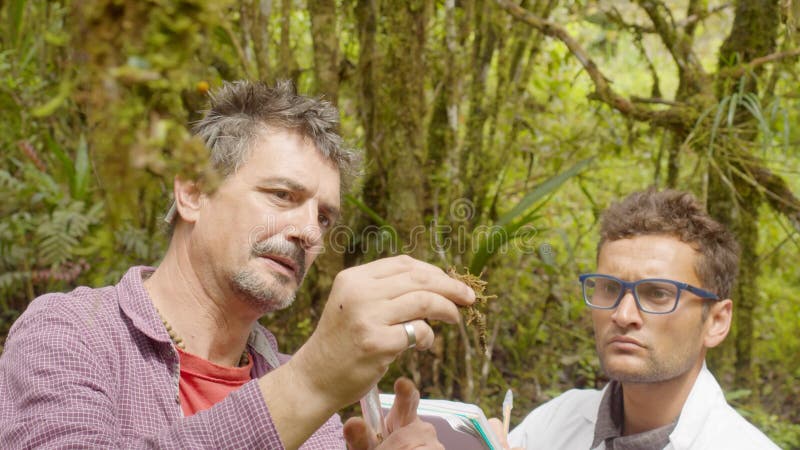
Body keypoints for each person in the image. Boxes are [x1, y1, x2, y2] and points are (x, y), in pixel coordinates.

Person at [0, 80, 476, 449]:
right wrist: (308, 385)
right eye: (282, 195)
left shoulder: (314, 421)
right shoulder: (69, 333)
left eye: (324, 216)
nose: (309, 232)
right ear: (192, 192)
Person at [494, 189, 779, 449]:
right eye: (609, 288)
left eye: (657, 293)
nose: (623, 315)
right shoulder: (552, 424)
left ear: (716, 322)